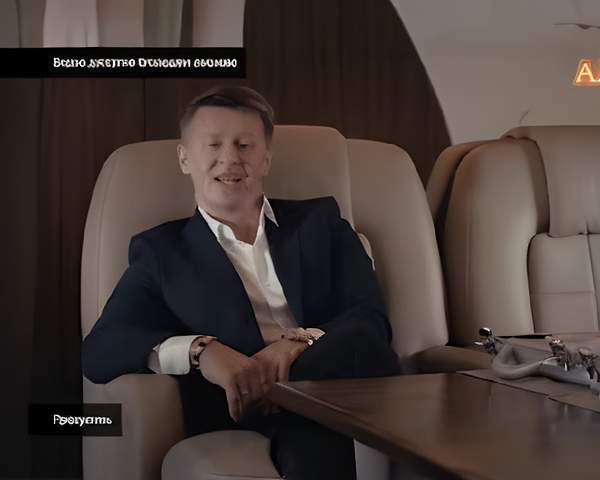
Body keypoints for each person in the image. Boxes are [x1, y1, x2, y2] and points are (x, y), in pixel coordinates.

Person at [81, 85, 400, 479]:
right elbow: (101, 350)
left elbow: (369, 320)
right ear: (184, 158)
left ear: (266, 159)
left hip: (338, 384)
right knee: (318, 432)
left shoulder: (322, 221)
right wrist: (202, 351)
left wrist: (296, 345)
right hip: (248, 408)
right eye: (213, 145)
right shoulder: (162, 251)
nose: (230, 158)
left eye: (244, 145)